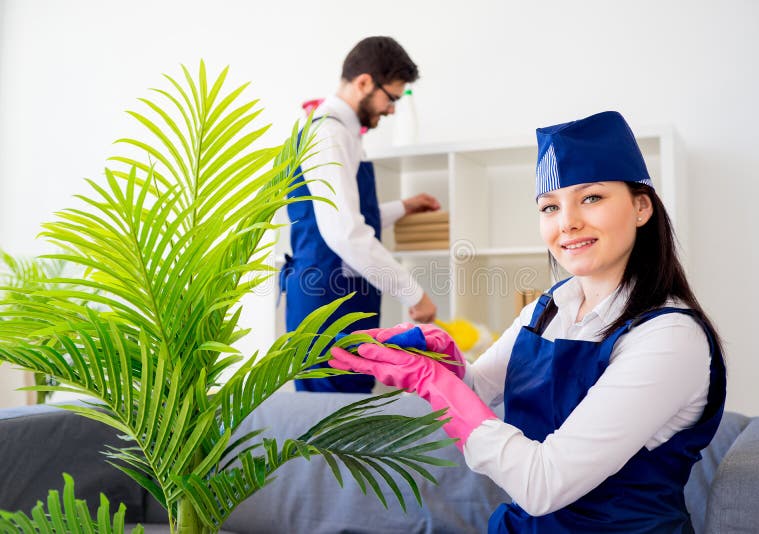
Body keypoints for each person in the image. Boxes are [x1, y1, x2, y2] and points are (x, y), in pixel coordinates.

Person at [330, 111, 726, 532]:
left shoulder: (669, 337)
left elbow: (543, 484)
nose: (567, 222)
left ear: (641, 207)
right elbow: (477, 394)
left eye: (591, 198)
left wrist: (434, 382)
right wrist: (445, 362)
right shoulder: (550, 307)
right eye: (550, 206)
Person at [283, 36, 440, 394]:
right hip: (327, 302)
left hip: (341, 294)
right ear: (365, 82)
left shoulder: (343, 135)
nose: (392, 110)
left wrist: (405, 207)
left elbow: (345, 217)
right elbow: (344, 232)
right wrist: (413, 294)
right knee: (330, 430)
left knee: (347, 426)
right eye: (392, 98)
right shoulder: (329, 134)